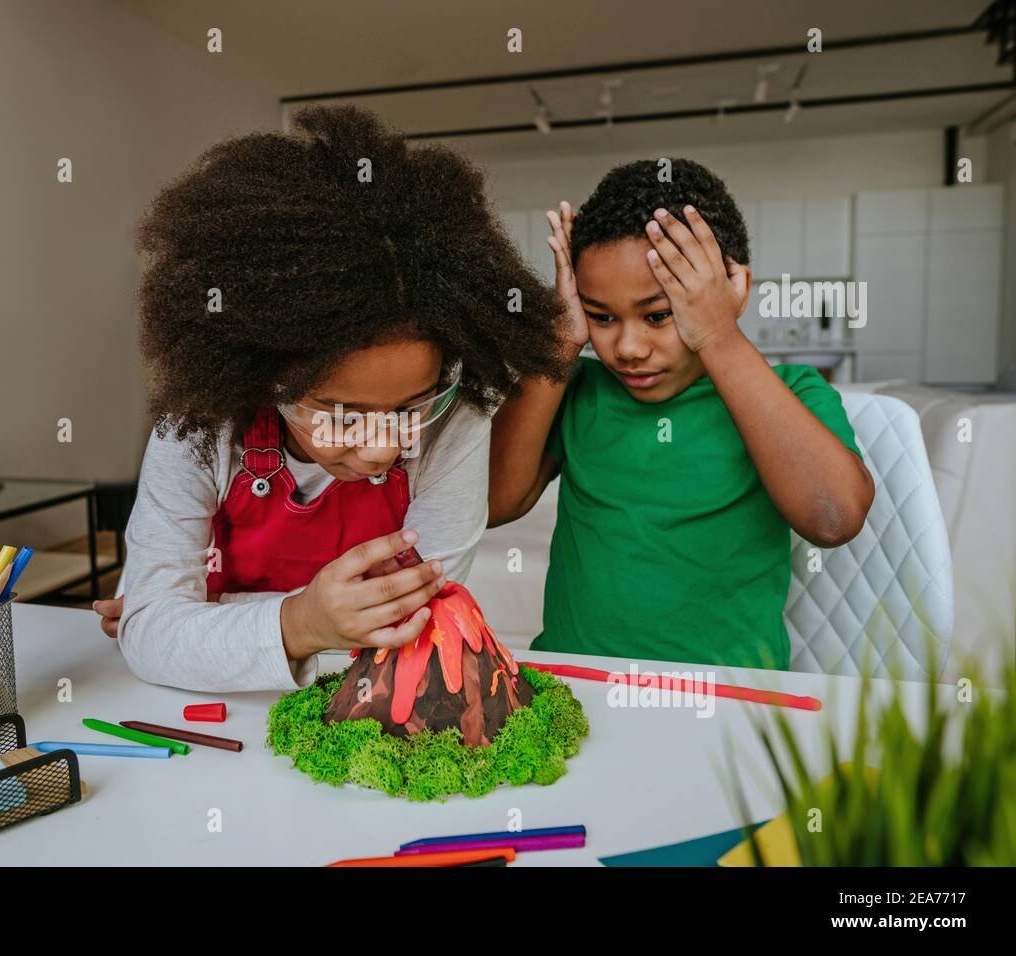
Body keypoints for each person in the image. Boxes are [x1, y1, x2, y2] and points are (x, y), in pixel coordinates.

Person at [96, 105, 570, 691]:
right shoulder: (200, 427)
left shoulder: (457, 418)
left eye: (410, 407)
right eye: (344, 416)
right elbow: (147, 632)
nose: (378, 451)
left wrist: (212, 625)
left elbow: (414, 614)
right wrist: (298, 623)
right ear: (267, 376)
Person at [490, 159, 873, 669]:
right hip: (576, 687)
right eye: (601, 316)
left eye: (658, 315)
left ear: (732, 289)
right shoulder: (577, 388)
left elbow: (833, 518)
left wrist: (719, 335)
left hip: (730, 704)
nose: (627, 347)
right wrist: (560, 340)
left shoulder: (792, 392)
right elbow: (494, 502)